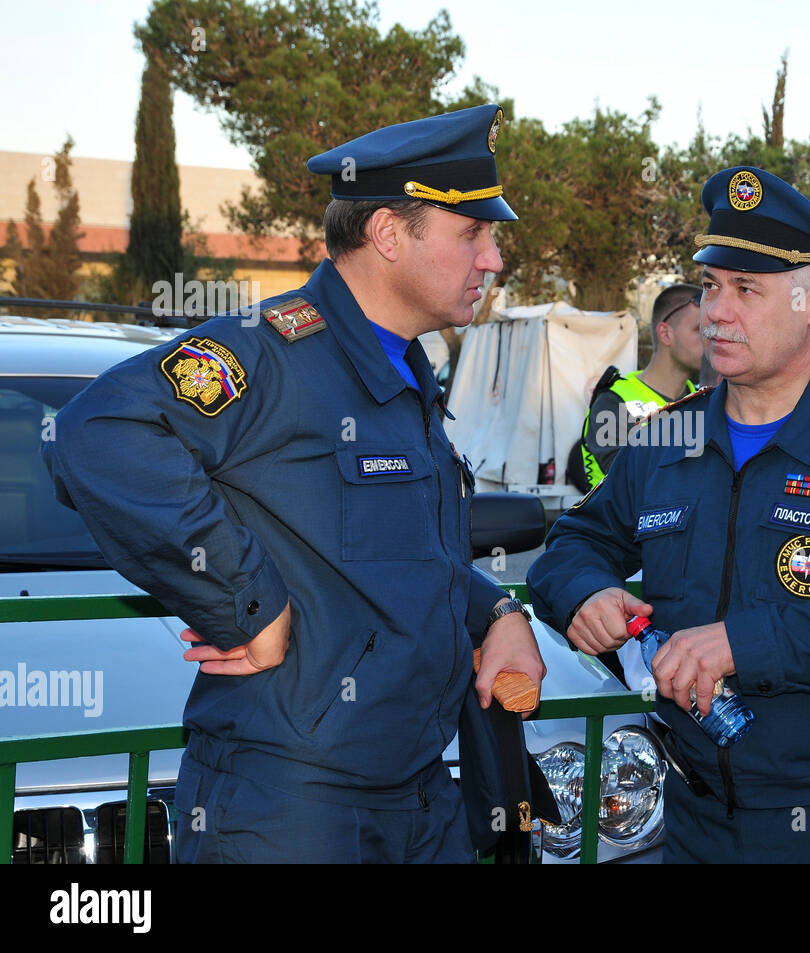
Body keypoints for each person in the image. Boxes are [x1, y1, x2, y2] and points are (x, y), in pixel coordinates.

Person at [42, 105, 546, 863]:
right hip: (296, 812)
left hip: (418, 799)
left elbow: (392, 549)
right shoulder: (273, 351)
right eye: (473, 233)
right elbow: (97, 435)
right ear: (386, 234)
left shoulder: (405, 368)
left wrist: (498, 608)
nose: (494, 259)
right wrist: (248, 602)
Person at [528, 166, 810, 863]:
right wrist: (587, 590)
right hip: (685, 814)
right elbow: (574, 539)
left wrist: (745, 642)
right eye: (710, 287)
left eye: (745, 290)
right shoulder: (670, 435)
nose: (717, 311)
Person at [572, 283, 703, 491]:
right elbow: (632, 486)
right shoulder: (614, 402)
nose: (711, 338)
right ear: (666, 334)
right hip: (620, 524)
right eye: (699, 330)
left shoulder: (704, 400)